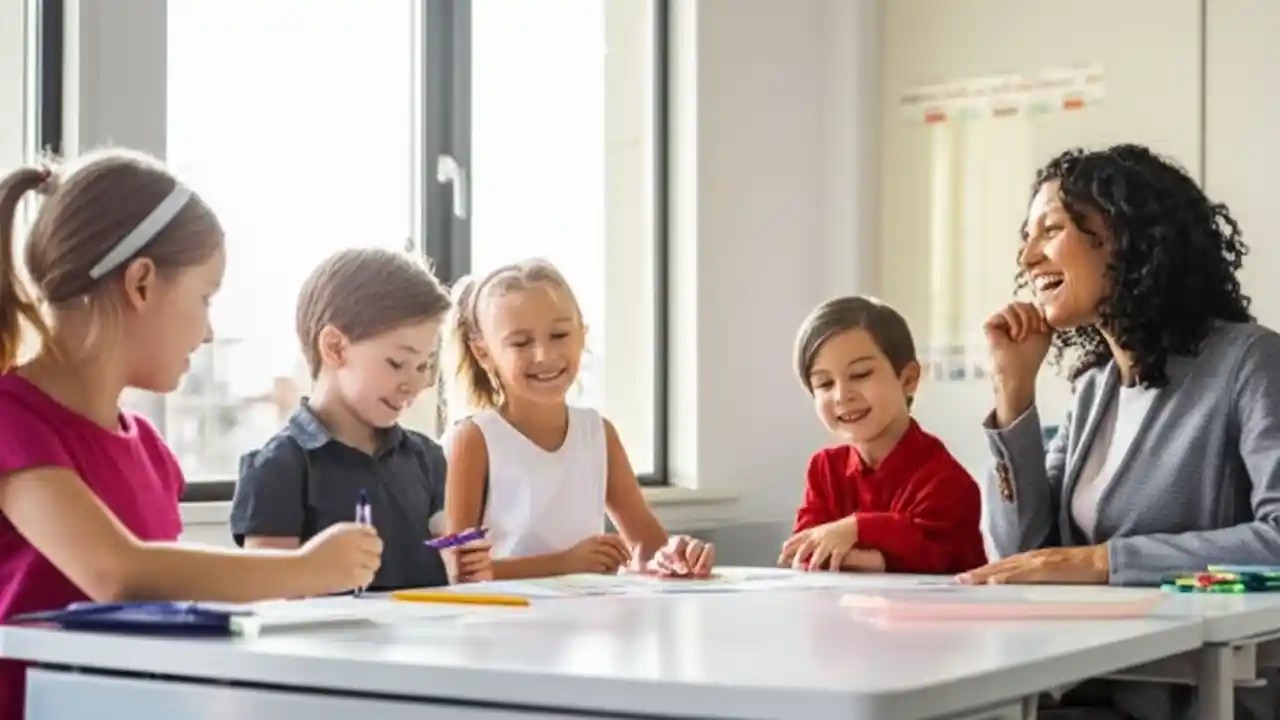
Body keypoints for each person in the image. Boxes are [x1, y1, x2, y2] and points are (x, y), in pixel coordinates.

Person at [0, 150, 381, 717]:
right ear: (142, 282)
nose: (207, 332)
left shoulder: (150, 453)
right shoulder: (13, 421)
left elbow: (162, 587)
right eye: (206, 297)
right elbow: (118, 573)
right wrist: (304, 568)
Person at [961, 144, 1280, 719]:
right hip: (1094, 683)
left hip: (1204, 696)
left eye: (1050, 229)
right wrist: (1013, 393)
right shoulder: (1095, 390)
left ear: (1124, 237)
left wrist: (1105, 561)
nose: (1028, 256)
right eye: (1027, 236)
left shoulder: (1248, 360)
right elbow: (1020, 557)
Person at [231, 248, 492, 588]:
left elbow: (453, 562)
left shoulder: (426, 459)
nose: (415, 383)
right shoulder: (279, 467)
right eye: (397, 363)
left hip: (428, 638)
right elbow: (267, 596)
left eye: (423, 366)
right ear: (336, 348)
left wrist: (469, 563)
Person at [442, 258, 714, 579]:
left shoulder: (598, 433)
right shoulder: (474, 440)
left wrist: (679, 555)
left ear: (582, 335)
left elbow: (650, 549)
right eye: (520, 342)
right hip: (503, 624)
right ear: (483, 353)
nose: (543, 355)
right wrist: (565, 565)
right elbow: (455, 572)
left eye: (558, 335)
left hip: (585, 621)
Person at [777, 296, 986, 574]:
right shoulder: (824, 469)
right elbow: (805, 551)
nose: (842, 396)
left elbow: (936, 557)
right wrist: (866, 553)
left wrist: (856, 529)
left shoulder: (947, 481)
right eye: (825, 383)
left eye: (860, 374)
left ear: (908, 379)